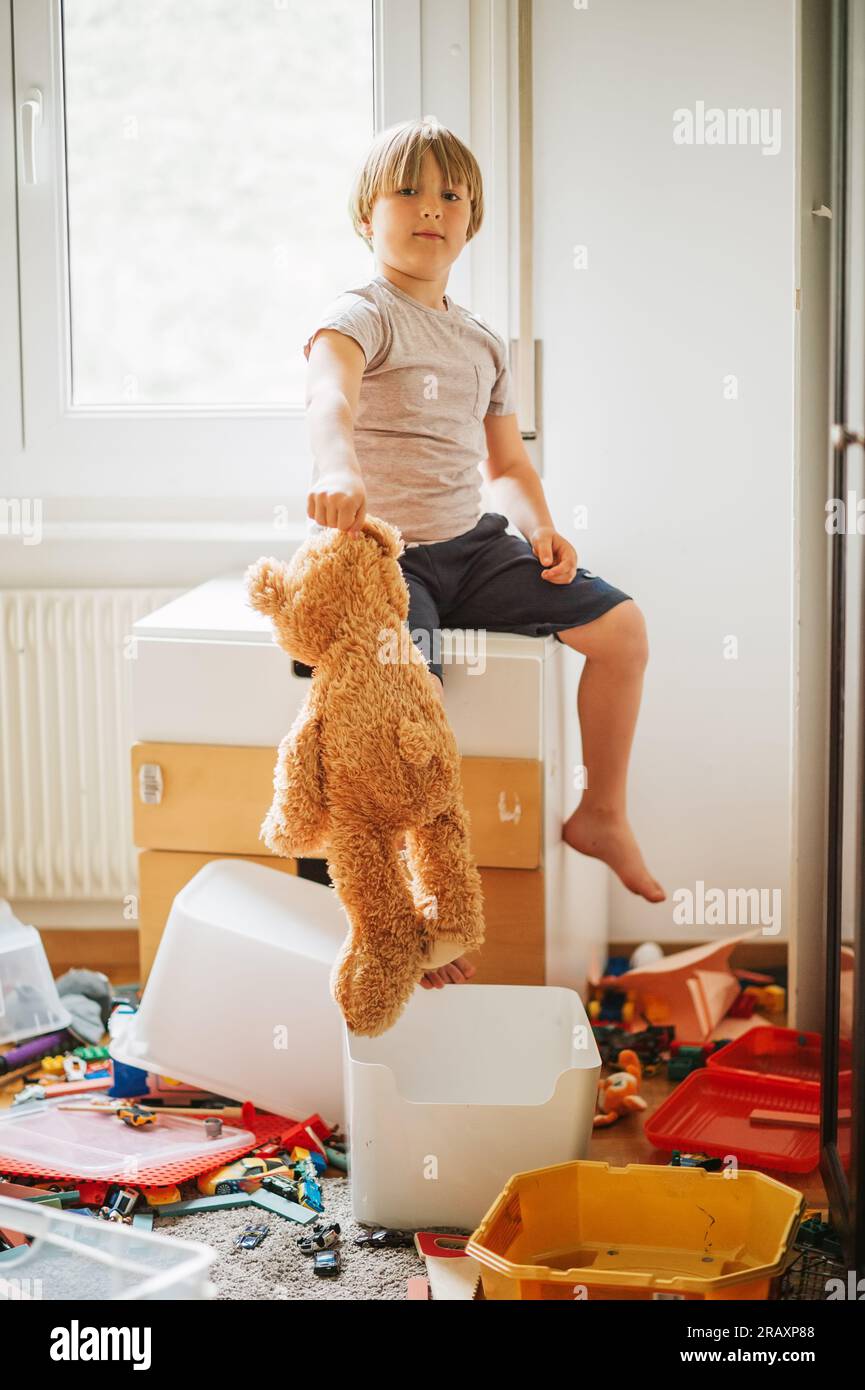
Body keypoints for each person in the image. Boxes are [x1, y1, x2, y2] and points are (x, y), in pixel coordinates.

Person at [303, 116, 666, 990]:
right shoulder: (359, 315)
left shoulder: (481, 342)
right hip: (384, 555)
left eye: (451, 195)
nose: (431, 208)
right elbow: (329, 401)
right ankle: (410, 916)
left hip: (469, 543)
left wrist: (538, 524)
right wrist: (336, 469)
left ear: (471, 221)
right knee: (401, 727)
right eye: (409, 191)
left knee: (621, 629)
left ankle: (603, 813)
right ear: (365, 215)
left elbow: (504, 463)